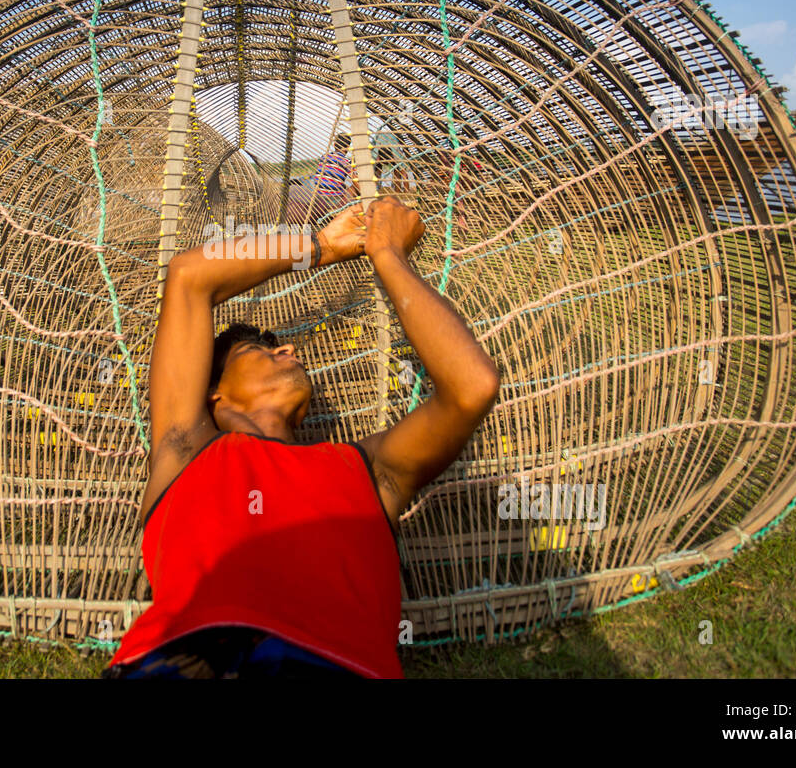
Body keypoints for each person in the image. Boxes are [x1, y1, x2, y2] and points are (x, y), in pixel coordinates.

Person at [102, 196, 501, 678]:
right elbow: (190, 276)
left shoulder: (370, 470)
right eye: (257, 348)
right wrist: (322, 247)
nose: (289, 348)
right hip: (183, 660)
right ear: (213, 396)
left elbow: (471, 388)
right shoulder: (184, 450)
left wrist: (388, 256)